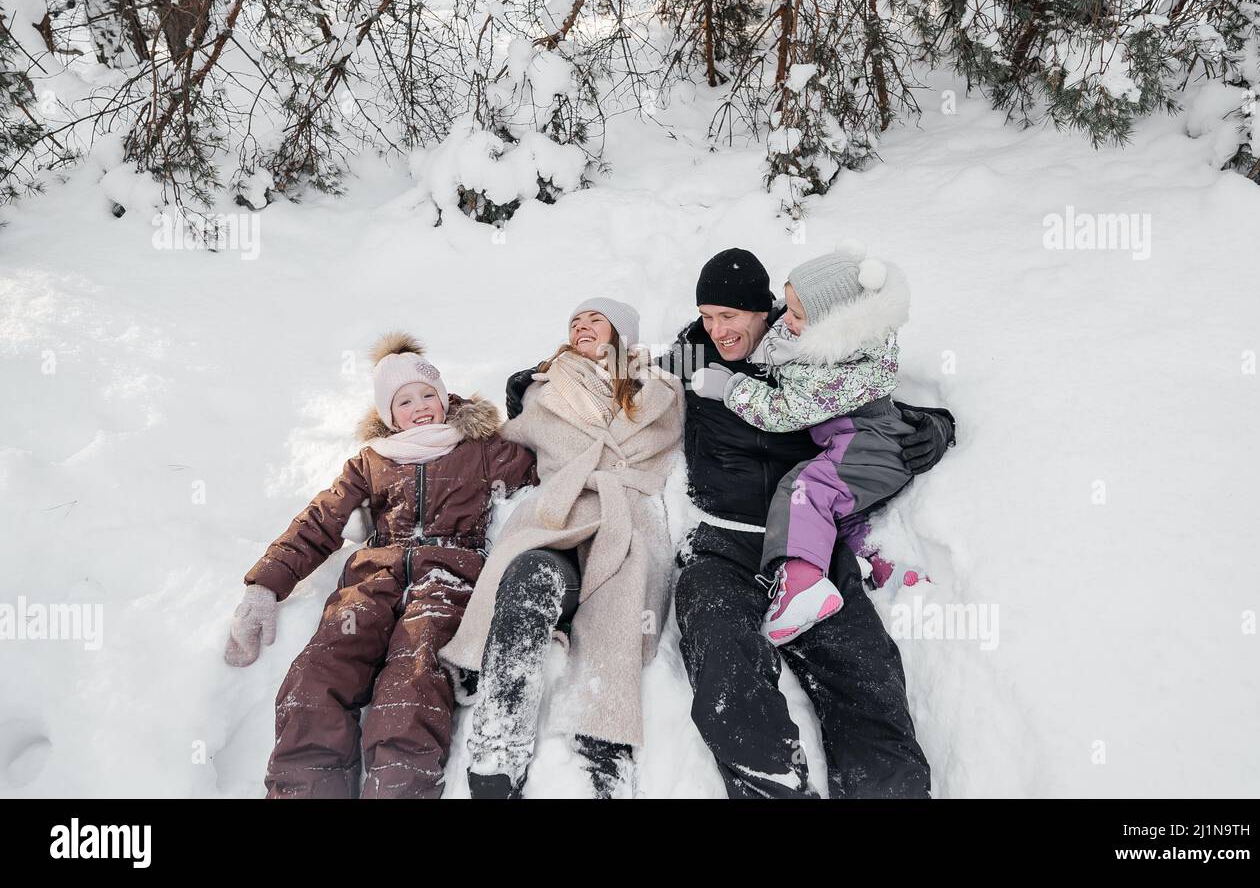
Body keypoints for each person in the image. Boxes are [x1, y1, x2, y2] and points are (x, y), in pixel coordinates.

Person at [663, 247, 955, 798]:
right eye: (707, 316)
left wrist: (935, 424)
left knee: (864, 670)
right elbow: (617, 373)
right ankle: (775, 788)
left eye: (730, 317)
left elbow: (872, 403)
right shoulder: (692, 354)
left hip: (811, 545)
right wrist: (538, 381)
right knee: (724, 658)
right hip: (721, 543)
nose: (717, 329)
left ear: (764, 310)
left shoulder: (812, 343)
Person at [223, 332, 536, 798]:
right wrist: (264, 585)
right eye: (405, 401)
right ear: (389, 415)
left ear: (446, 397)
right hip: (373, 578)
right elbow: (318, 522)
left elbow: (546, 466)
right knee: (320, 670)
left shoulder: (481, 447)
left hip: (448, 577)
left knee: (413, 678)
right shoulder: (372, 462)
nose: (421, 407)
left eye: (428, 394)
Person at [441, 298, 685, 798]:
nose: (581, 325)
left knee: (620, 598)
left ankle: (603, 745)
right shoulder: (544, 390)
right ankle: (498, 741)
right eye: (575, 320)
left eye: (595, 318)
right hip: (560, 516)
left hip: (628, 521)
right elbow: (495, 442)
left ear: (623, 334)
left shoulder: (664, 391)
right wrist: (457, 414)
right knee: (528, 575)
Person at [690, 249, 915, 646]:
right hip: (859, 442)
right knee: (840, 515)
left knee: (804, 490)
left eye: (728, 316)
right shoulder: (834, 342)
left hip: (863, 444)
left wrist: (731, 388)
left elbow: (785, 410)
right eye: (707, 316)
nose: (785, 319)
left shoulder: (833, 363)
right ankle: (884, 566)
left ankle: (801, 582)